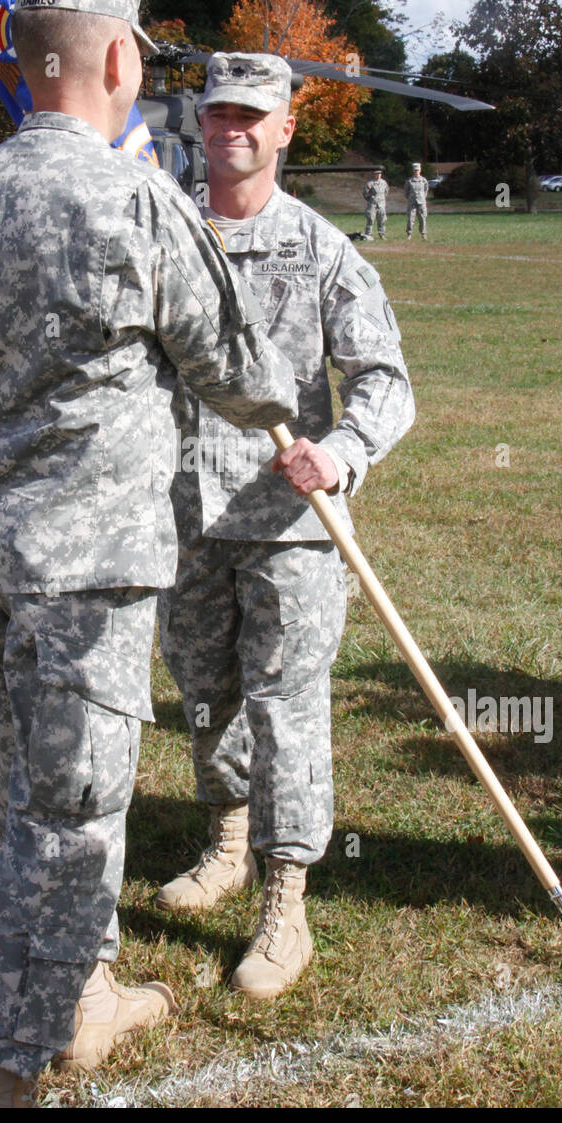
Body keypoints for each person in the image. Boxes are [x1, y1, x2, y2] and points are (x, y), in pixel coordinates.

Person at [0, 0, 298, 1107]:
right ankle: (1, 1082)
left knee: (27, 803)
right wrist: (281, 414)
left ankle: (83, 998)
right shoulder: (136, 200)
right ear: (120, 58)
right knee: (67, 832)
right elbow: (233, 365)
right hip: (88, 576)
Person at [156, 53, 415, 1000]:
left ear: (285, 129)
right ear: (198, 118)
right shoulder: (165, 230)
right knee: (202, 692)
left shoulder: (320, 247)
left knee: (286, 705)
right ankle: (226, 840)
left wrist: (342, 451)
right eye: (218, 109)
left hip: (291, 524)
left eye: (252, 114)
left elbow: (384, 380)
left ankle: (286, 900)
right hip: (181, 516)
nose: (232, 126)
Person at [405, 161, 429, 239]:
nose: (416, 172)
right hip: (412, 202)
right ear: (413, 170)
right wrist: (410, 198)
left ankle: (423, 233)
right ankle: (409, 234)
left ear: (420, 170)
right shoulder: (409, 181)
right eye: (415, 170)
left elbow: (426, 190)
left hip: (421, 201)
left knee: (422, 218)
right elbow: (406, 192)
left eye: (417, 170)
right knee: (410, 218)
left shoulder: (424, 180)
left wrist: (423, 197)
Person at [362, 168, 389, 240]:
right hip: (372, 204)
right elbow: (365, 193)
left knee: (382, 219)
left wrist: (381, 199)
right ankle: (368, 234)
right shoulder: (370, 183)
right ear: (374, 175)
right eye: (377, 174)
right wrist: (371, 200)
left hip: (381, 204)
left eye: (379, 174)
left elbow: (386, 192)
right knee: (370, 219)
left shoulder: (384, 183)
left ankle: (382, 234)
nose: (378, 175)